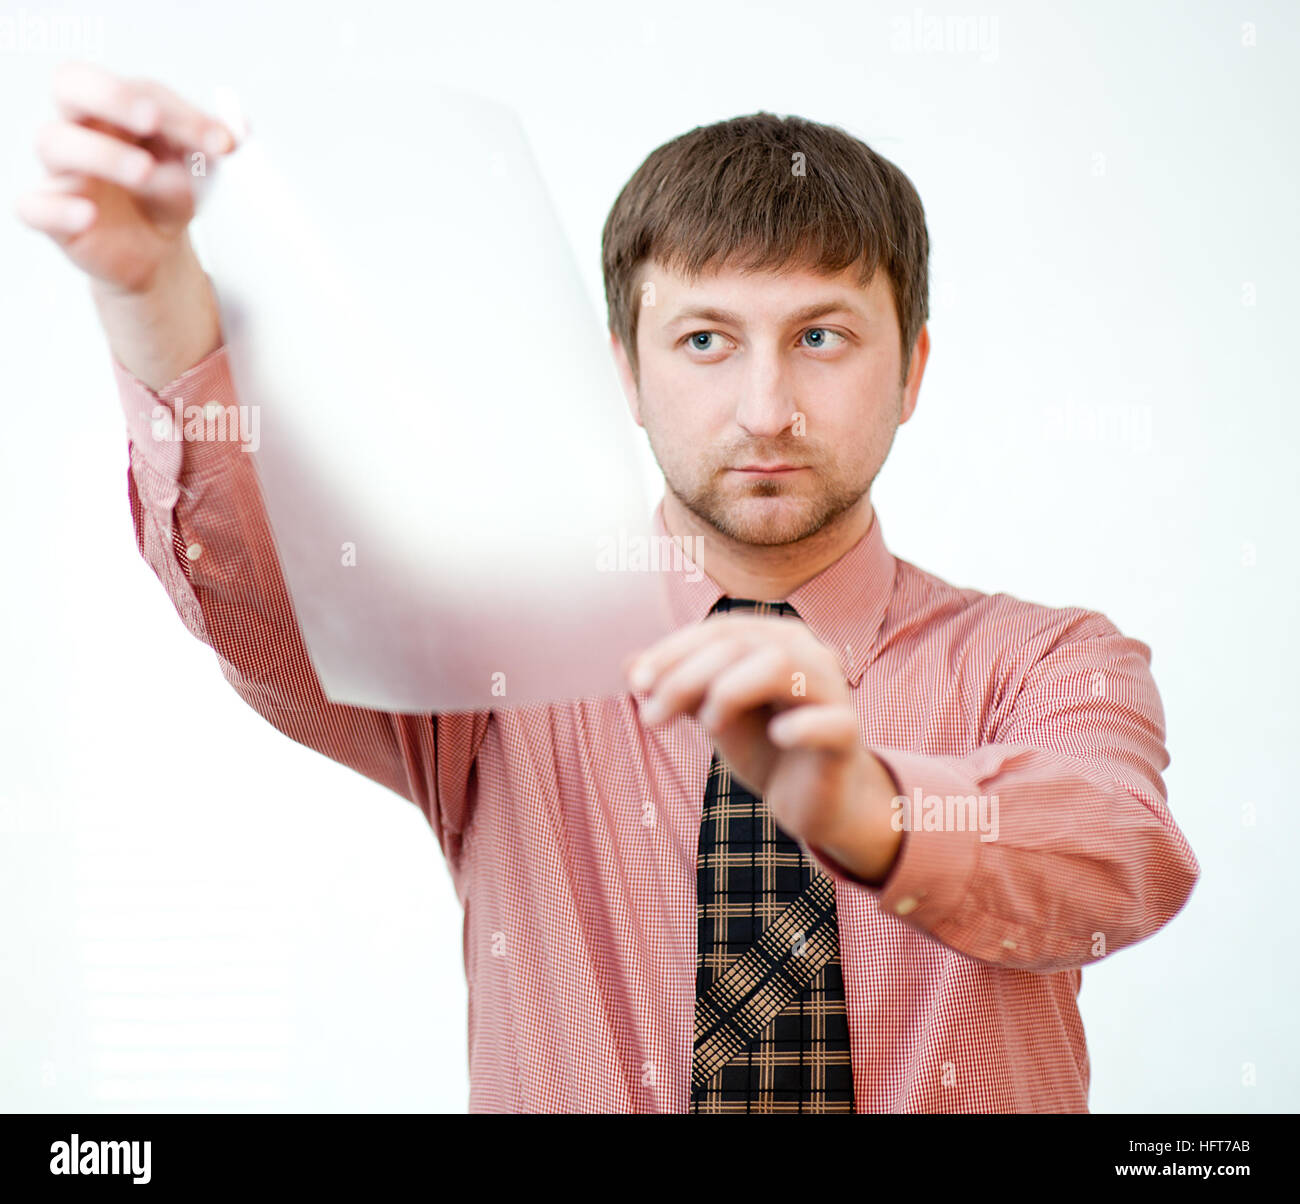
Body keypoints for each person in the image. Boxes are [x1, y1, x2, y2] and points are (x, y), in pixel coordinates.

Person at [17, 60, 1200, 1114]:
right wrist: (151, 298)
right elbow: (261, 605)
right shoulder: (498, 661)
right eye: (703, 341)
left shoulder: (1051, 661)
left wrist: (867, 806)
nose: (764, 410)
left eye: (822, 336)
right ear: (623, 372)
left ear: (914, 369)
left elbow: (1115, 855)